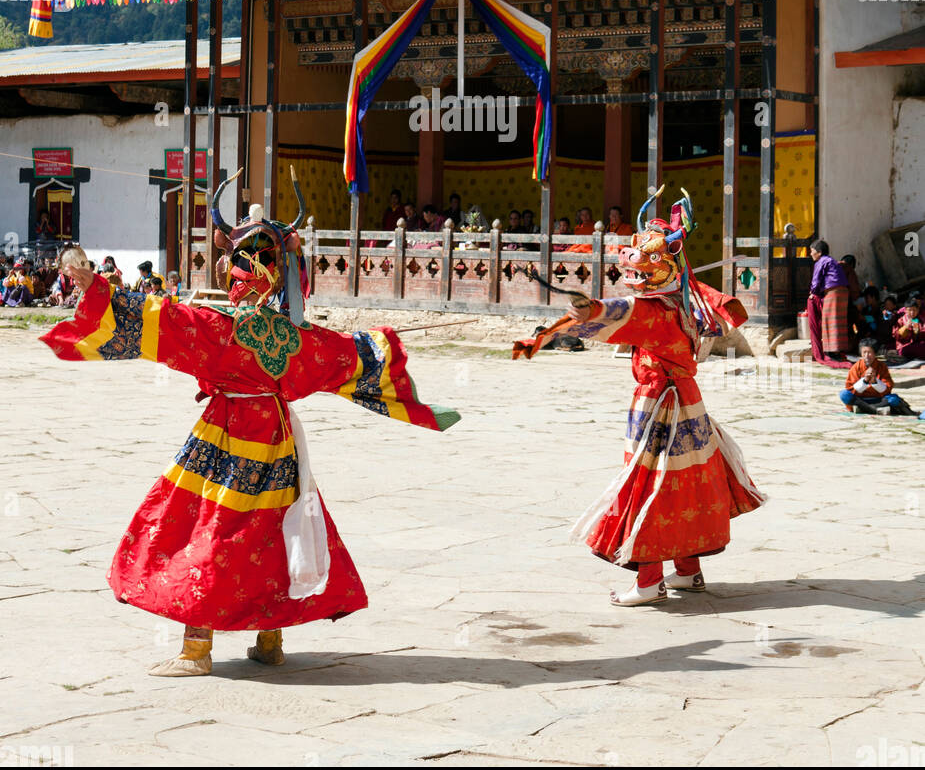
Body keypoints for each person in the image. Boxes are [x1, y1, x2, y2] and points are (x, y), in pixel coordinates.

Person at [42, 169, 459, 677]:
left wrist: (96, 289)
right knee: (271, 533)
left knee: (208, 529)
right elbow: (346, 357)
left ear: (229, 270)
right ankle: (270, 641)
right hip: (278, 440)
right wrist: (385, 350)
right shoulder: (293, 337)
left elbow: (161, 320)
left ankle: (196, 651)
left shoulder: (219, 329)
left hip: (225, 435)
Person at [514, 186, 764, 605]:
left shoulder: (658, 313)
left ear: (668, 267)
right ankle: (688, 571)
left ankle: (648, 582)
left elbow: (619, 313)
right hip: (688, 404)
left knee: (649, 486)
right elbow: (621, 309)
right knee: (684, 486)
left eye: (650, 260)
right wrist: (547, 333)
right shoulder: (685, 302)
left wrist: (589, 312)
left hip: (659, 407)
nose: (637, 265)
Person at [806, 240, 852, 367]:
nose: (810, 254)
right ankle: (837, 350)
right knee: (839, 321)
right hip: (843, 292)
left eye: (812, 251)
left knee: (829, 320)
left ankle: (832, 352)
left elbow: (816, 280)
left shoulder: (822, 261)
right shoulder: (831, 260)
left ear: (819, 252)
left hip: (833, 291)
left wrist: (812, 293)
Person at [840, 340, 907, 415]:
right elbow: (850, 389)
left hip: (878, 399)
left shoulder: (882, 367)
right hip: (860, 399)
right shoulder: (855, 367)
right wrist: (865, 381)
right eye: (864, 352)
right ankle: (873, 409)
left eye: (869, 352)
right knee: (844, 394)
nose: (867, 356)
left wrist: (875, 381)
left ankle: (865, 408)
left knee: (893, 398)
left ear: (875, 353)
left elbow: (888, 389)